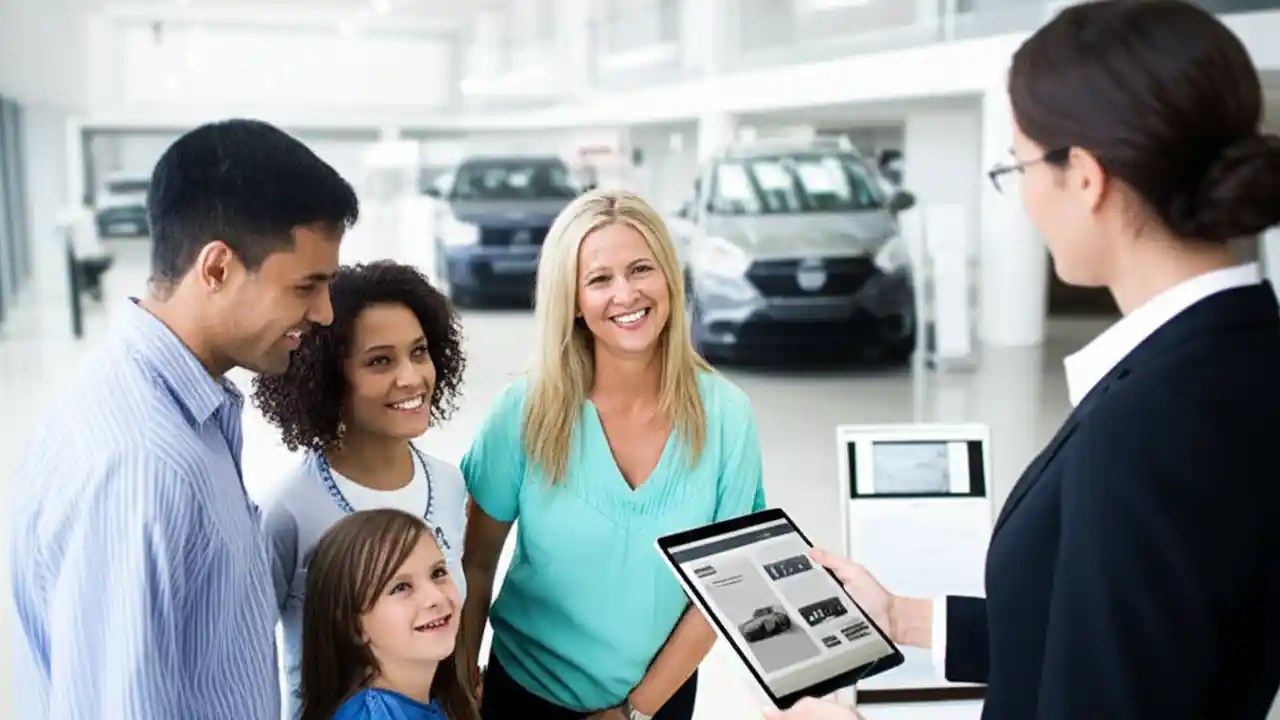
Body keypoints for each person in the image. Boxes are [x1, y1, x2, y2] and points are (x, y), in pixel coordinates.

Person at [771, 2, 1280, 719]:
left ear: (1084, 176)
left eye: (1017, 163)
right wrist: (904, 618)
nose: (1022, 197)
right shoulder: (1241, 357)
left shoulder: (1148, 432)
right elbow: (1122, 646)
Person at [8, 118, 359, 719]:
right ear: (217, 268)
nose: (324, 313)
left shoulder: (184, 412)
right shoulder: (140, 461)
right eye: (307, 285)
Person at [459, 189, 767, 720]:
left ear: (669, 276)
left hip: (656, 703)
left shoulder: (727, 417)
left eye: (641, 269)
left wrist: (635, 712)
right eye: (600, 279)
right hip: (524, 696)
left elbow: (726, 591)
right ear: (574, 301)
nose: (626, 294)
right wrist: (461, 673)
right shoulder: (522, 412)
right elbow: (475, 561)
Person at [254, 260, 470, 718]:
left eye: (419, 352)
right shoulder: (288, 511)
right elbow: (244, 658)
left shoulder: (450, 485)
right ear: (328, 378)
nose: (412, 378)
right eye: (380, 361)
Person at [299, 508, 479, 720]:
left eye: (438, 573)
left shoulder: (436, 698)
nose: (436, 597)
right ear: (353, 626)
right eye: (401, 587)